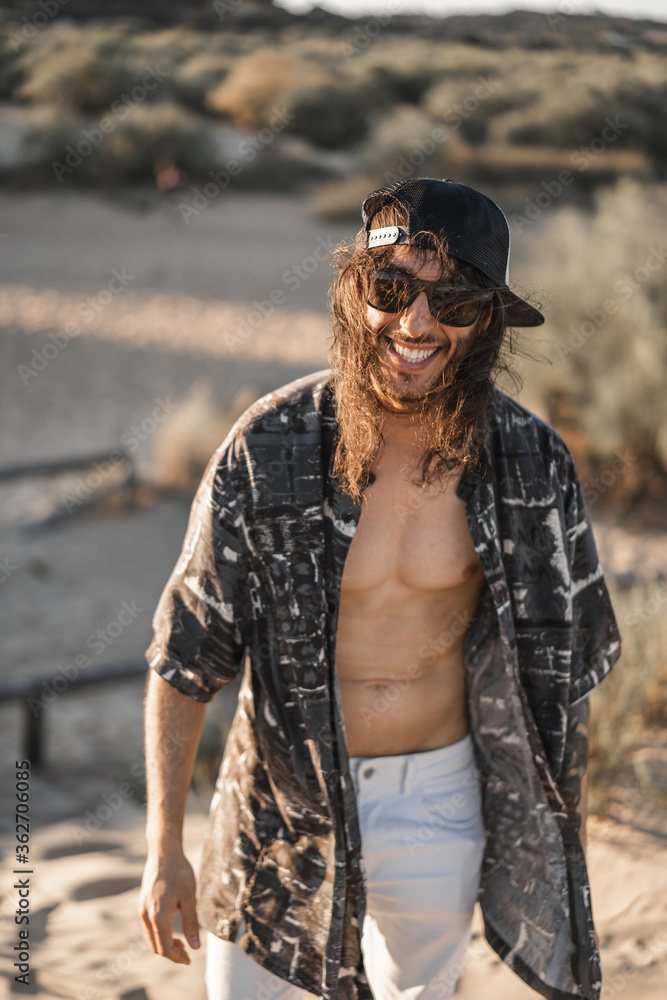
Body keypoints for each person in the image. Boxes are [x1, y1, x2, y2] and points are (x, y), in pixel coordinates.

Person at [139, 177, 621, 1000]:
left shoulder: (528, 464)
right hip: (276, 802)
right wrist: (163, 846)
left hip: (437, 797)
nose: (417, 323)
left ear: (488, 321)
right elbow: (184, 655)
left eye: (456, 300)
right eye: (390, 289)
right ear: (352, 294)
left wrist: (561, 841)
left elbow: (564, 674)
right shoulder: (270, 447)